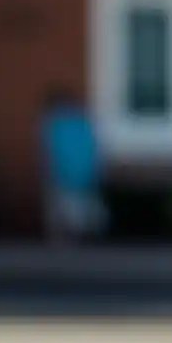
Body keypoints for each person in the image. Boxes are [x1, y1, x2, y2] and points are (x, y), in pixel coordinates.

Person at [40, 87, 106, 244]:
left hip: (64, 177)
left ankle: (67, 236)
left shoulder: (55, 124)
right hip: (82, 176)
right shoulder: (82, 123)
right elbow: (93, 150)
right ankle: (78, 235)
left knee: (66, 208)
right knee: (78, 208)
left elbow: (51, 153)